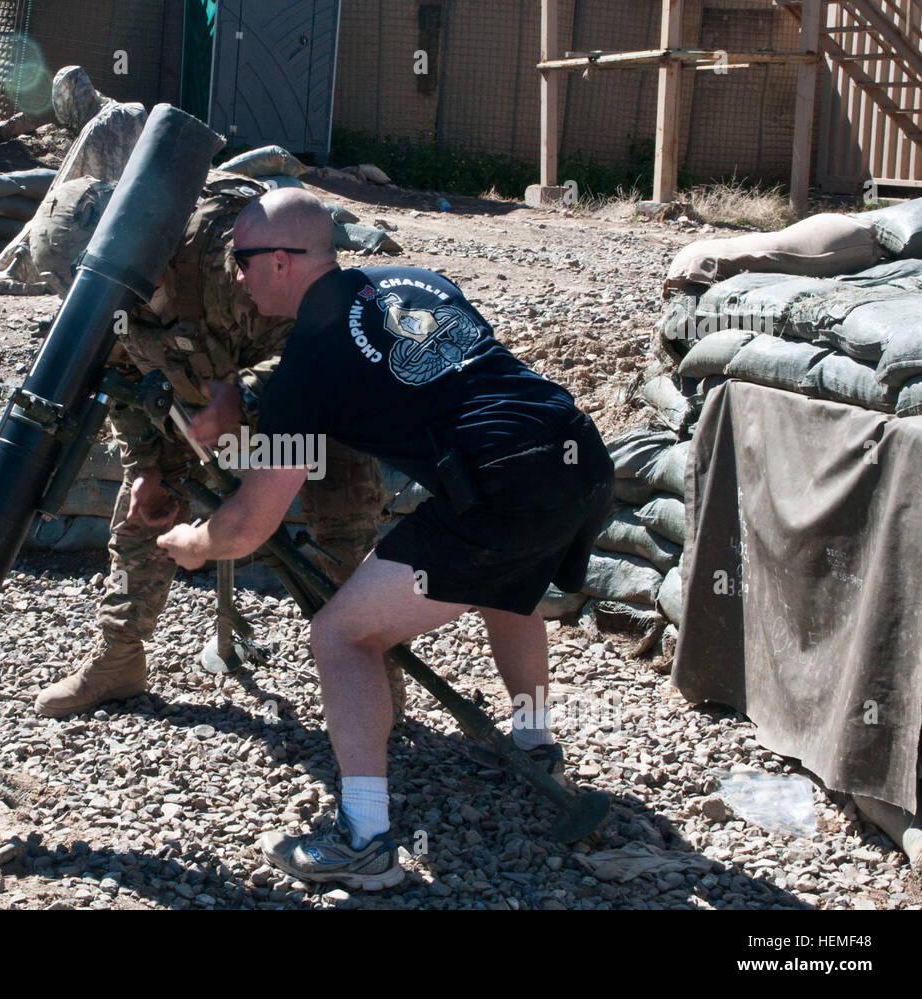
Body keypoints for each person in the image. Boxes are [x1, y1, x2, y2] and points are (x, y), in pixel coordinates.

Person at [156, 188, 615, 890]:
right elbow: (419, 373)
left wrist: (196, 541)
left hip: (504, 489)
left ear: (281, 261)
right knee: (510, 586)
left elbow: (251, 524)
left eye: (243, 260)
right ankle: (533, 741)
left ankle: (364, 839)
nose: (235, 274)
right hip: (575, 454)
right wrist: (248, 406)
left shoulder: (306, 361)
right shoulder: (411, 280)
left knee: (340, 634)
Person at [31, 171, 402, 720]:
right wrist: (146, 466)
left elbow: (328, 347)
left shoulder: (226, 259)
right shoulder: (107, 297)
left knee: (343, 547)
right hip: (203, 409)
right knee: (141, 517)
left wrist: (245, 399)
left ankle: (380, 685)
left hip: (314, 409)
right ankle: (118, 660)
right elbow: (122, 377)